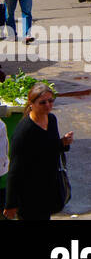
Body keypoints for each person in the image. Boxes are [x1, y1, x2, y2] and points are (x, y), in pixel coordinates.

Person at [3, 83, 72, 221]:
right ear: (32, 103)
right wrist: (10, 204)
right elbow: (15, 170)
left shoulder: (51, 120)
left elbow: (49, 147)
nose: (48, 105)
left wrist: (63, 143)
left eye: (50, 101)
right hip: (30, 193)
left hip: (48, 188)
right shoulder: (25, 132)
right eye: (42, 102)